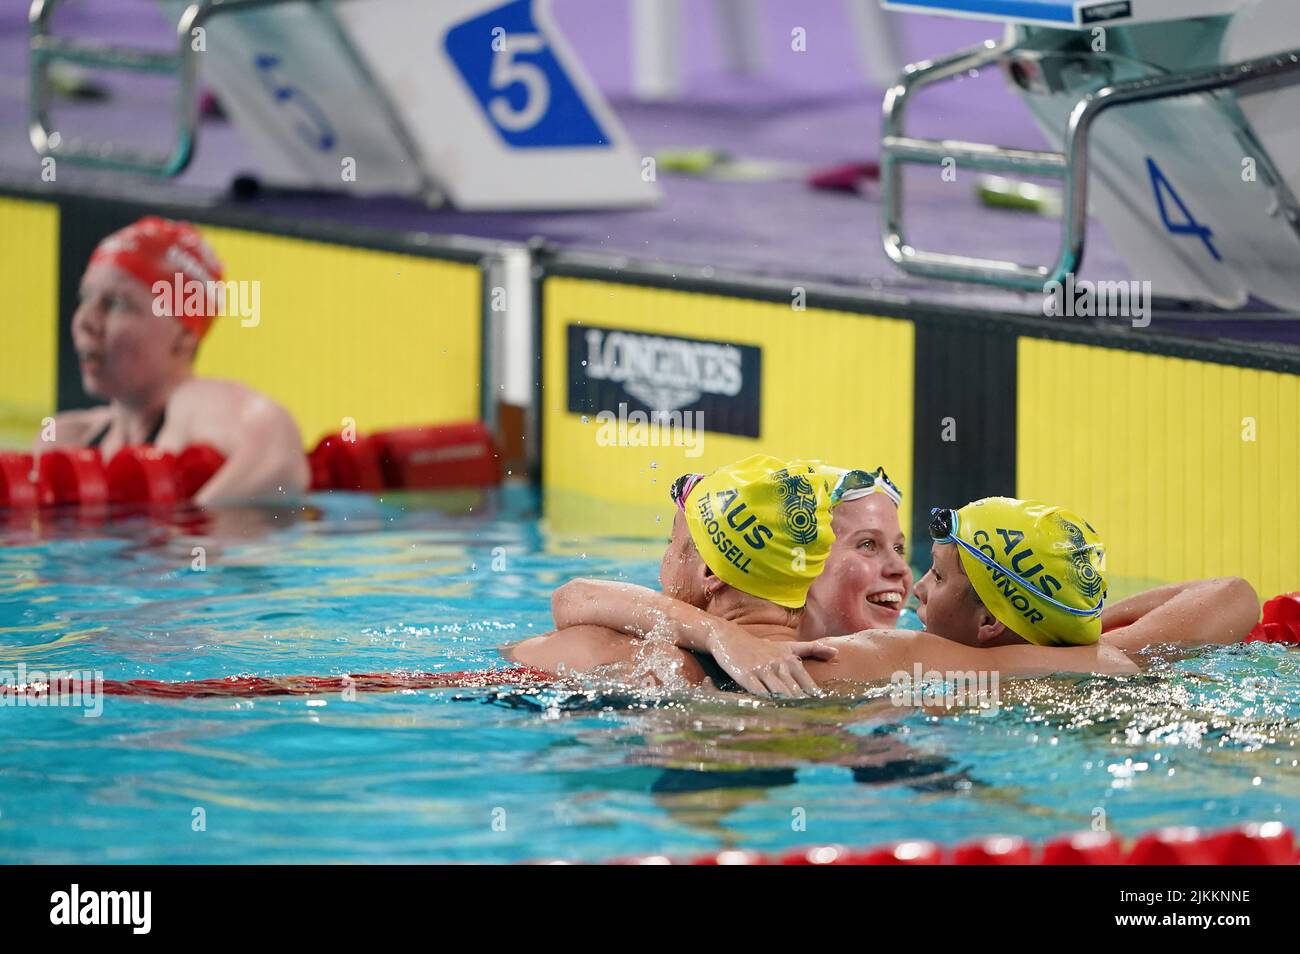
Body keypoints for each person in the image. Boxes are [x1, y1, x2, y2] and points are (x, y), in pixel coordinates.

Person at [511, 467, 1261, 696]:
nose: (907, 578)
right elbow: (1228, 600)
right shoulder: (902, 660)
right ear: (809, 571)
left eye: (917, 561)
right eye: (870, 546)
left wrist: (712, 635)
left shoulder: (626, 652)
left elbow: (571, 601)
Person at [35, 216, 309, 505]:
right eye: (85, 297)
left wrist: (186, 532)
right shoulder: (66, 439)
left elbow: (280, 460)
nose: (85, 321)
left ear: (183, 333)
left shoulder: (192, 407)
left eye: (117, 303)